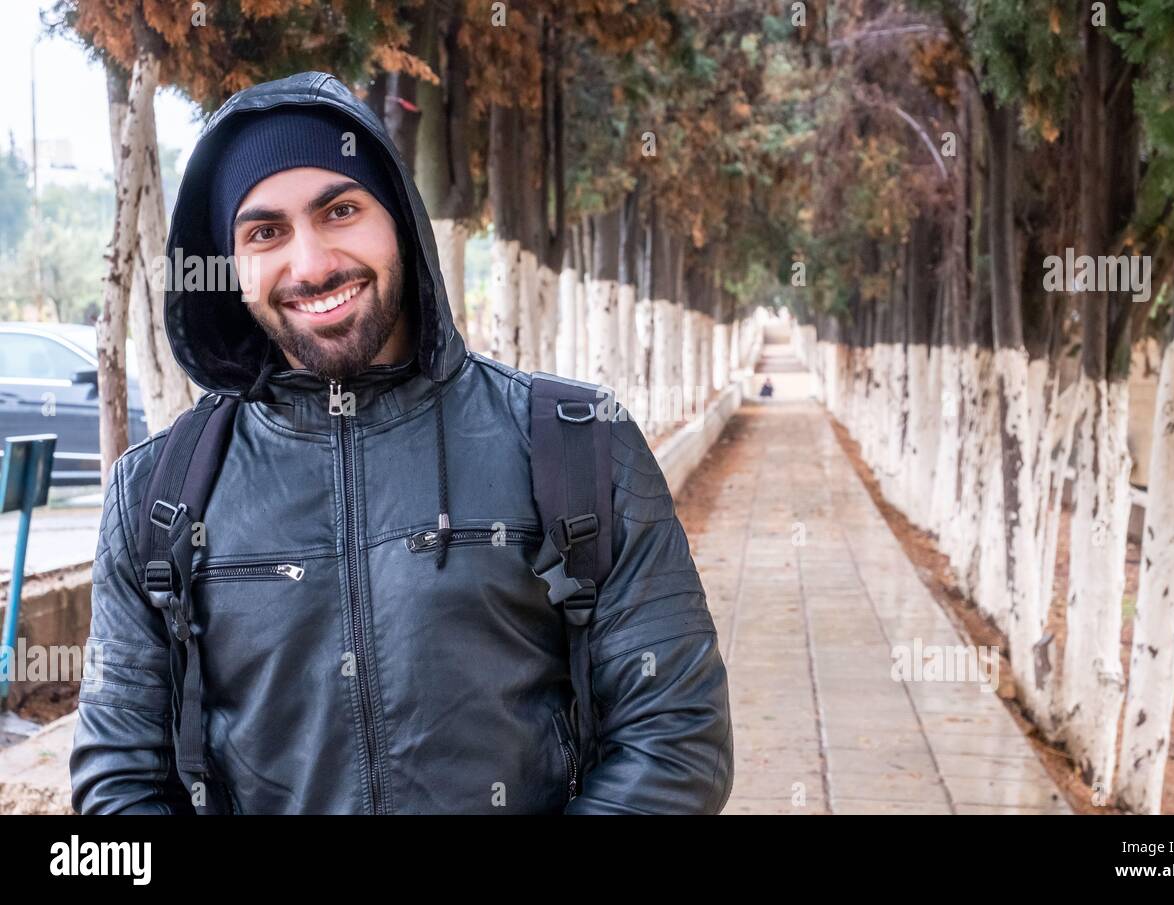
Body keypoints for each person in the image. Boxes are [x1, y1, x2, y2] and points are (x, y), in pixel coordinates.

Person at [69, 72, 734, 815]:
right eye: (265, 232)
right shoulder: (156, 494)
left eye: (341, 210)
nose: (312, 263)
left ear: (401, 222)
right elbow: (118, 788)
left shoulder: (574, 445)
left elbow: (676, 742)